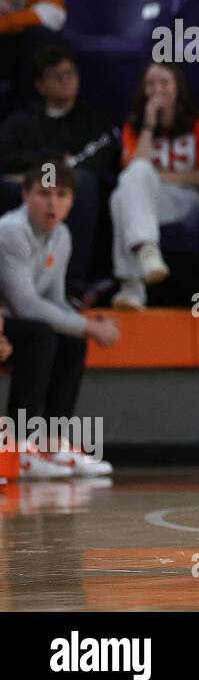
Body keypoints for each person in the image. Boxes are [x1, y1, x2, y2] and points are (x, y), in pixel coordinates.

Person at [0, 163, 121, 479]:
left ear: (71, 202)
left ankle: (52, 443)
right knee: (43, 334)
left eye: (61, 195)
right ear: (25, 195)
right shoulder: (11, 232)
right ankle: (20, 446)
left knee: (69, 338)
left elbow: (53, 298)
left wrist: (82, 323)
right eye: (43, 193)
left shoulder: (61, 235)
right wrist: (89, 327)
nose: (52, 203)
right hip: (8, 321)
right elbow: (24, 305)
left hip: (17, 324)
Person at [0, 45, 119, 300]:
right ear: (41, 85)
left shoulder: (93, 120)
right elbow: (4, 157)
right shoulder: (22, 121)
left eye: (71, 73)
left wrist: (38, 178)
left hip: (71, 192)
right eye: (58, 75)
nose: (67, 80)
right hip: (21, 193)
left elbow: (98, 159)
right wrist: (49, 161)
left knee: (83, 183)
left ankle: (71, 289)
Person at [109, 62, 199, 311]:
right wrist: (148, 124)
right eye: (151, 84)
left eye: (164, 83)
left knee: (127, 189)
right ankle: (146, 255)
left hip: (190, 200)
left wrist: (159, 177)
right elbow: (132, 172)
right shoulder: (134, 126)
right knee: (121, 195)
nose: (157, 89)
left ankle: (131, 285)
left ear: (178, 87)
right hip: (149, 201)